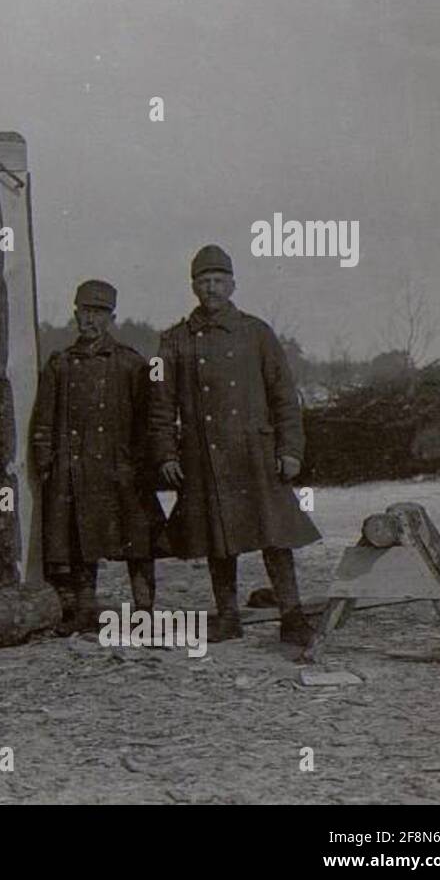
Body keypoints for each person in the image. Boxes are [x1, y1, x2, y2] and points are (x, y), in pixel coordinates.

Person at [147, 244, 320, 646]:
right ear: (193, 286)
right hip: (203, 456)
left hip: (255, 454)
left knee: (274, 533)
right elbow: (160, 404)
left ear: (232, 284)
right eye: (204, 282)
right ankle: (228, 616)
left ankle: (292, 615)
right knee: (217, 539)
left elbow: (284, 395)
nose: (211, 289)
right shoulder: (173, 341)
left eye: (219, 281)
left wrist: (291, 449)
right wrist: (166, 452)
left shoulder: (256, 333)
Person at [31, 279, 165, 635]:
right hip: (76, 469)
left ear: (112, 317)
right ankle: (86, 610)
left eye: (99, 314)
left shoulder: (130, 364)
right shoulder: (61, 364)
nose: (90, 321)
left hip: (121, 469)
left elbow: (148, 419)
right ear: (76, 313)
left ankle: (145, 611)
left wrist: (143, 465)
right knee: (80, 542)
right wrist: (45, 462)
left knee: (138, 542)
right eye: (85, 312)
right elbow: (43, 419)